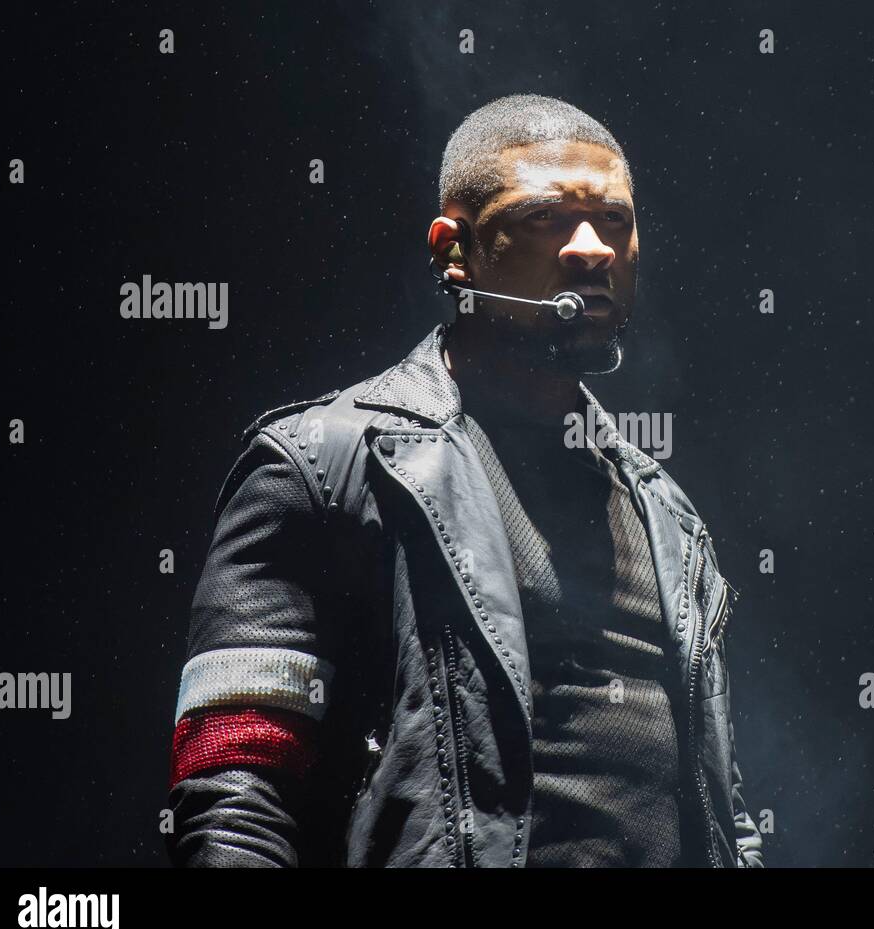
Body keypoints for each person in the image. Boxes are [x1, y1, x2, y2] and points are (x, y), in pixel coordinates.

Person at [165, 93, 764, 868]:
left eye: (615, 221)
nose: (593, 249)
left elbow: (726, 815)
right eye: (548, 217)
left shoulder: (669, 519)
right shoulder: (320, 467)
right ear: (456, 250)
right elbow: (236, 796)